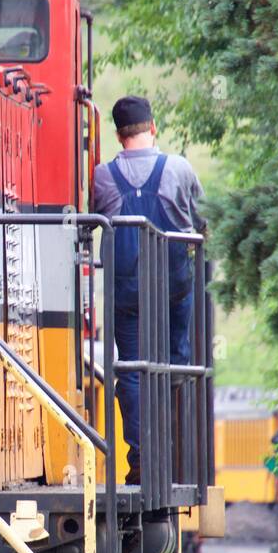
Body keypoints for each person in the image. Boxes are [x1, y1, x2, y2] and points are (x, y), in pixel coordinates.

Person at [91, 95, 205, 485]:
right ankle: (172, 456)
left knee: (133, 370)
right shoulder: (179, 168)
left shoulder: (102, 176)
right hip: (173, 285)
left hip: (126, 289)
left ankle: (140, 460)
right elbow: (203, 221)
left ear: (119, 134)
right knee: (177, 361)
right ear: (152, 128)